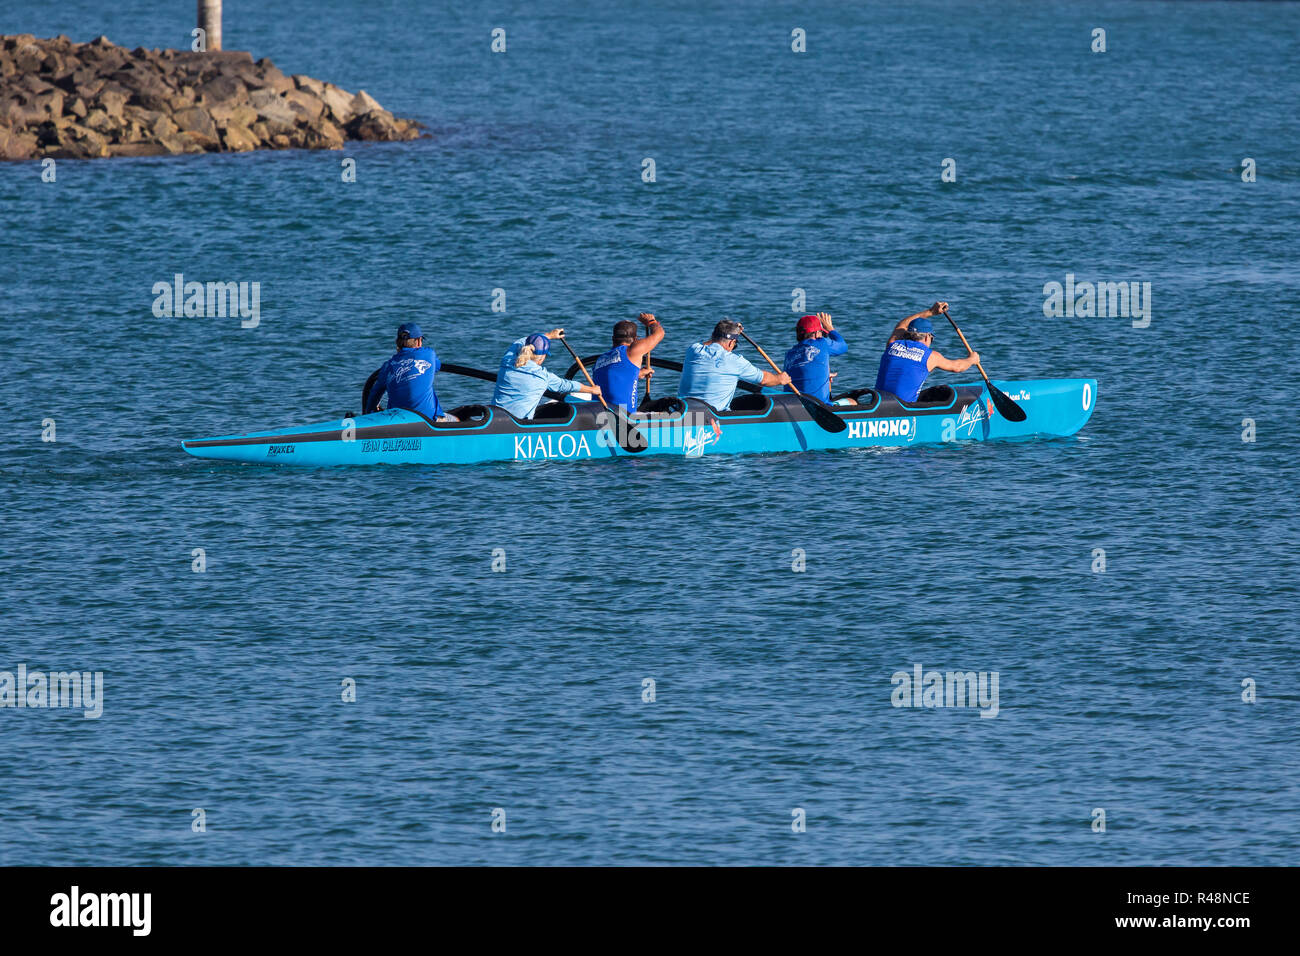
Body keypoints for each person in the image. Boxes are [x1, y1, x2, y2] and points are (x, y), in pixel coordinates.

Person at [874, 302, 979, 402]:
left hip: (878, 404)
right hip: (903, 411)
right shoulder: (931, 356)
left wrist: (931, 311)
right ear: (927, 337)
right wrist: (972, 359)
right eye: (932, 338)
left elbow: (902, 325)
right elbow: (957, 367)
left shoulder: (892, 344)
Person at [678, 320, 791, 410]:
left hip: (683, 411)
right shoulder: (735, 361)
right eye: (735, 345)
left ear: (713, 337)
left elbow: (709, 342)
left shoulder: (693, 350)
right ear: (732, 342)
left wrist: (729, 333)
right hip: (712, 419)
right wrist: (780, 378)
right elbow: (764, 380)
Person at [491, 329, 601, 419]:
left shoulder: (507, 361)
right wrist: (592, 390)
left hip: (494, 418)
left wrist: (548, 335)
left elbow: (519, 342)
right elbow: (567, 385)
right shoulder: (543, 377)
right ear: (542, 358)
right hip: (517, 428)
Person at [365, 322, 456, 422]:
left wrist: (367, 416)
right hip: (428, 420)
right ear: (418, 342)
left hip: (397, 422)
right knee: (457, 419)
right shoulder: (428, 354)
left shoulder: (387, 366)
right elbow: (437, 366)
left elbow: (374, 395)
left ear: (398, 342)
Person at [592, 313, 664, 411]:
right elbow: (659, 334)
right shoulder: (632, 350)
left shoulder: (600, 359)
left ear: (613, 339)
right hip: (622, 419)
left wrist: (637, 373)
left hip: (597, 414)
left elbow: (613, 377)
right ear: (635, 339)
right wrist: (651, 322)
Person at [783, 312, 847, 402]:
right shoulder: (822, 343)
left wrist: (824, 374)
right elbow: (843, 346)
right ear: (817, 334)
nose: (823, 336)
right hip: (817, 406)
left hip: (792, 404)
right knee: (853, 401)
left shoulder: (789, 354)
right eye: (822, 333)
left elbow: (804, 371)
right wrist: (830, 329)